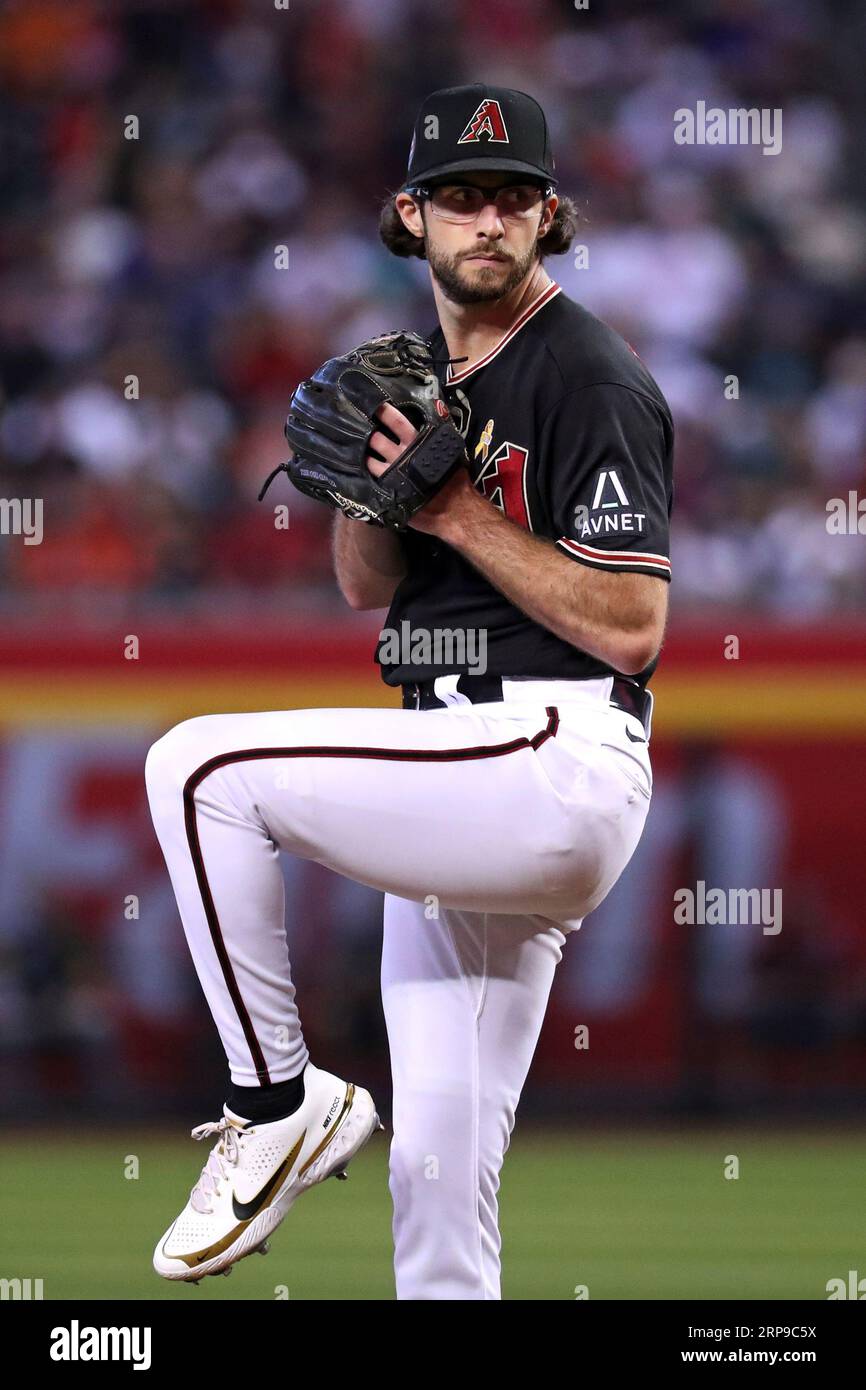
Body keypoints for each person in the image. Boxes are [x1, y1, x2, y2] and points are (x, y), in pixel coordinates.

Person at [144, 83, 674, 1300]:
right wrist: (366, 488)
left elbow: (633, 626)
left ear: (550, 217)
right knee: (436, 1184)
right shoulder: (416, 370)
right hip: (460, 790)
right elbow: (363, 585)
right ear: (411, 216)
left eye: (509, 199)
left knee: (198, 770)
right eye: (458, 198)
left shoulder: (586, 374)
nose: (484, 222)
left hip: (548, 754)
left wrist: (453, 510)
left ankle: (275, 1102)